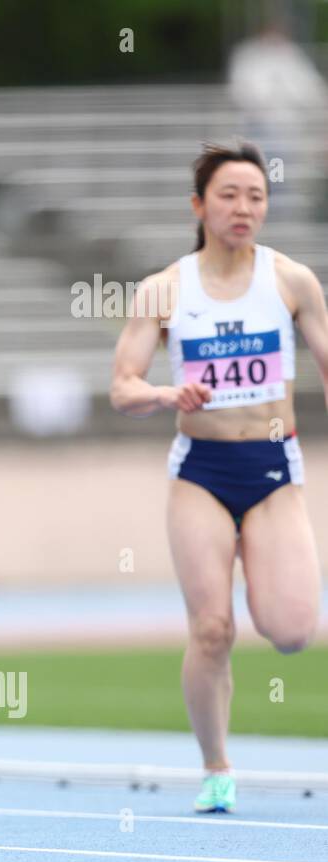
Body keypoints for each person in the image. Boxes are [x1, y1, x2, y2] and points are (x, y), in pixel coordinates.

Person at [110, 141, 328, 813]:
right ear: (200, 205)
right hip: (200, 474)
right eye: (229, 194)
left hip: (272, 469)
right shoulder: (166, 289)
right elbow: (122, 386)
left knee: (292, 632)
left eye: (256, 196)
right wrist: (163, 396)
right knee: (211, 629)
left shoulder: (291, 281)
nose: (243, 208)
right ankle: (217, 768)